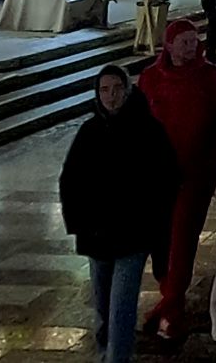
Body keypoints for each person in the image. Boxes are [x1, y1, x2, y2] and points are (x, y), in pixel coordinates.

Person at [60, 66, 179, 363]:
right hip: (97, 237)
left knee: (121, 309)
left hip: (132, 239)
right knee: (102, 308)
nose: (111, 96)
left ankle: (117, 358)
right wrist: (79, 224)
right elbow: (70, 180)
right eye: (104, 90)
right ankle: (106, 353)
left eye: (116, 89)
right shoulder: (90, 131)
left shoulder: (149, 130)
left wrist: (153, 229)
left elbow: (167, 181)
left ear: (127, 90)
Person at [136, 18, 216, 340]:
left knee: (181, 240)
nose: (191, 47)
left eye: (195, 41)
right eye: (184, 42)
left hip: (194, 177)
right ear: (169, 45)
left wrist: (213, 163)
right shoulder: (151, 78)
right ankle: (168, 295)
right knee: (160, 242)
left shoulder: (210, 78)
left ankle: (172, 308)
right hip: (156, 178)